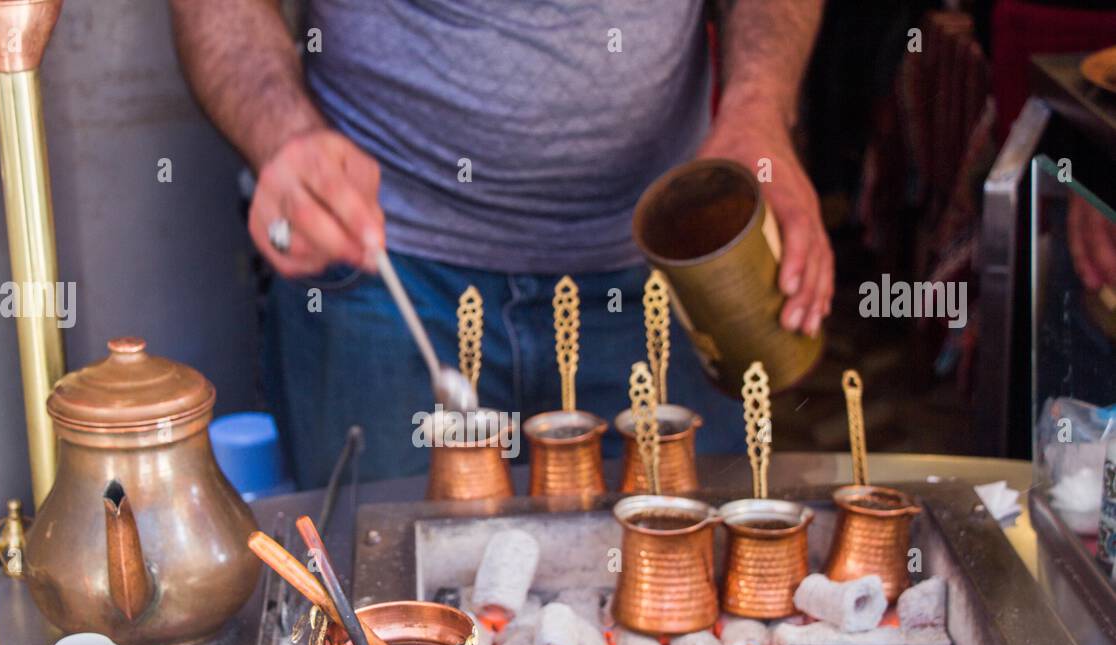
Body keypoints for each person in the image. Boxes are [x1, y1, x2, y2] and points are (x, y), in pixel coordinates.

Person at [170, 0, 834, 488]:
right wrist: (281, 135)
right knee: (380, 614)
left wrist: (760, 105)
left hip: (661, 270)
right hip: (379, 270)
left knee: (680, 608)